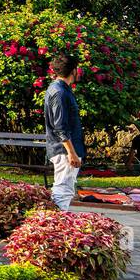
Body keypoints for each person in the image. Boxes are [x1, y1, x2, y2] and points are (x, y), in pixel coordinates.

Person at [44, 54, 85, 211]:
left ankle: (56, 223)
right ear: (73, 70)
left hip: (65, 148)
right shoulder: (59, 92)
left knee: (64, 189)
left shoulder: (61, 89)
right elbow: (60, 126)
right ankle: (56, 225)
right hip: (64, 150)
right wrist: (72, 153)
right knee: (63, 190)